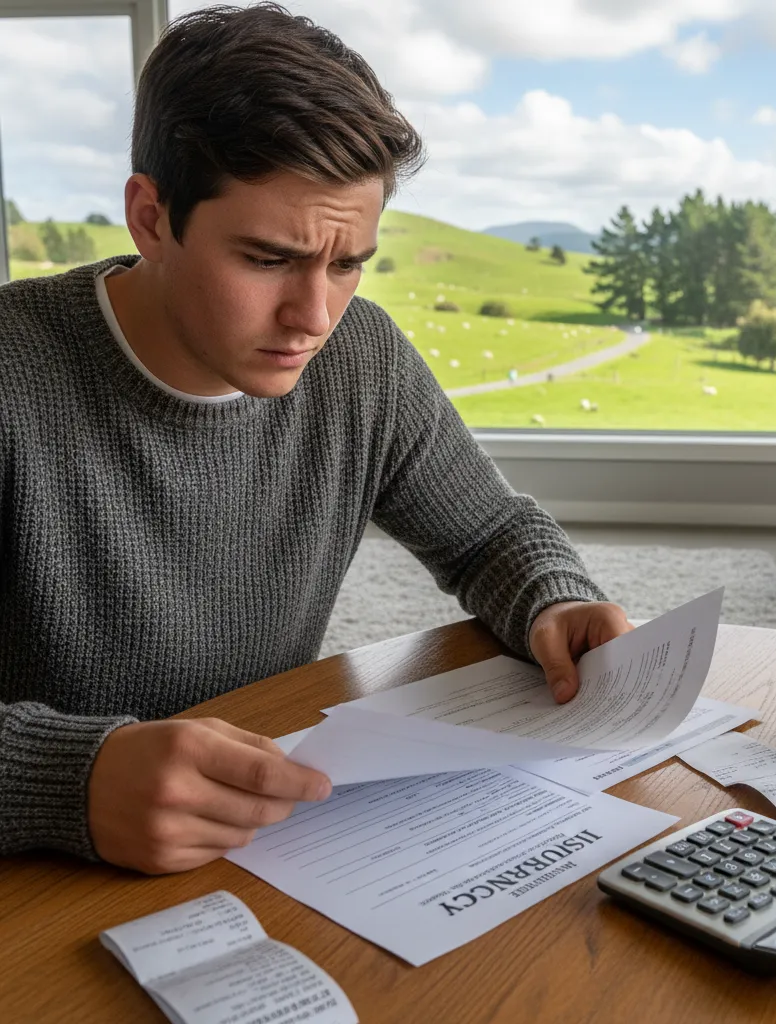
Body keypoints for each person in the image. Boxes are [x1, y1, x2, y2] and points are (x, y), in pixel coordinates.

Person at [0, 4, 629, 875]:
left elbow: (488, 534)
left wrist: (554, 599)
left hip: (270, 837)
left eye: (346, 263)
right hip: (43, 875)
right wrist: (68, 777)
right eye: (266, 259)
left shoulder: (361, 357)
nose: (314, 317)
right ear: (150, 217)